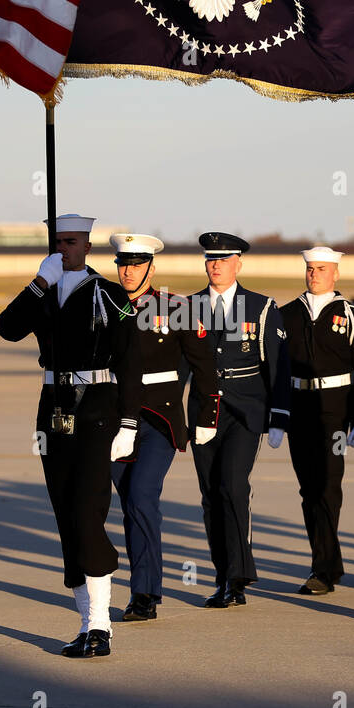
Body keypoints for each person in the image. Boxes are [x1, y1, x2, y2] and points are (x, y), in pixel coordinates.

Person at [0, 214, 139, 657]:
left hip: (97, 406)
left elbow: (130, 358)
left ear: (88, 246)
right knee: (64, 514)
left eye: (72, 241)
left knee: (86, 510)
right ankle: (85, 623)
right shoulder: (44, 288)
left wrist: (129, 422)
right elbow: (7, 328)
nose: (64, 248)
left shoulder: (109, 293)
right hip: (53, 407)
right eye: (58, 241)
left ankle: (101, 626)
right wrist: (40, 282)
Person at [108, 233, 220, 622]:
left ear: (151, 268)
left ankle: (144, 594)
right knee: (131, 505)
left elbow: (205, 368)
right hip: (112, 421)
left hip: (158, 419)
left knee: (141, 496)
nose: (128, 271)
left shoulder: (177, 307)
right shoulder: (105, 305)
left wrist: (207, 417)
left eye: (136, 264)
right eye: (123, 263)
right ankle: (145, 585)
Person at [187, 233, 290, 608]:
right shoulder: (190, 307)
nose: (216, 265)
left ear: (238, 264)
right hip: (203, 414)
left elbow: (278, 366)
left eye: (224, 259)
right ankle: (221, 574)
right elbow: (180, 366)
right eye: (211, 260)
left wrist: (279, 417)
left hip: (246, 413)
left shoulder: (261, 307)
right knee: (210, 495)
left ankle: (238, 577)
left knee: (233, 486)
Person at [279, 247, 354, 595]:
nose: (314, 274)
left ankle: (323, 568)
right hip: (300, 411)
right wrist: (277, 416)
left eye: (321, 269)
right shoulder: (286, 315)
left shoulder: (353, 318)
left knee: (328, 486)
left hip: (335, 414)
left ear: (335, 273)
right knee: (308, 490)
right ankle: (329, 562)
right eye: (310, 268)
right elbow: (276, 371)